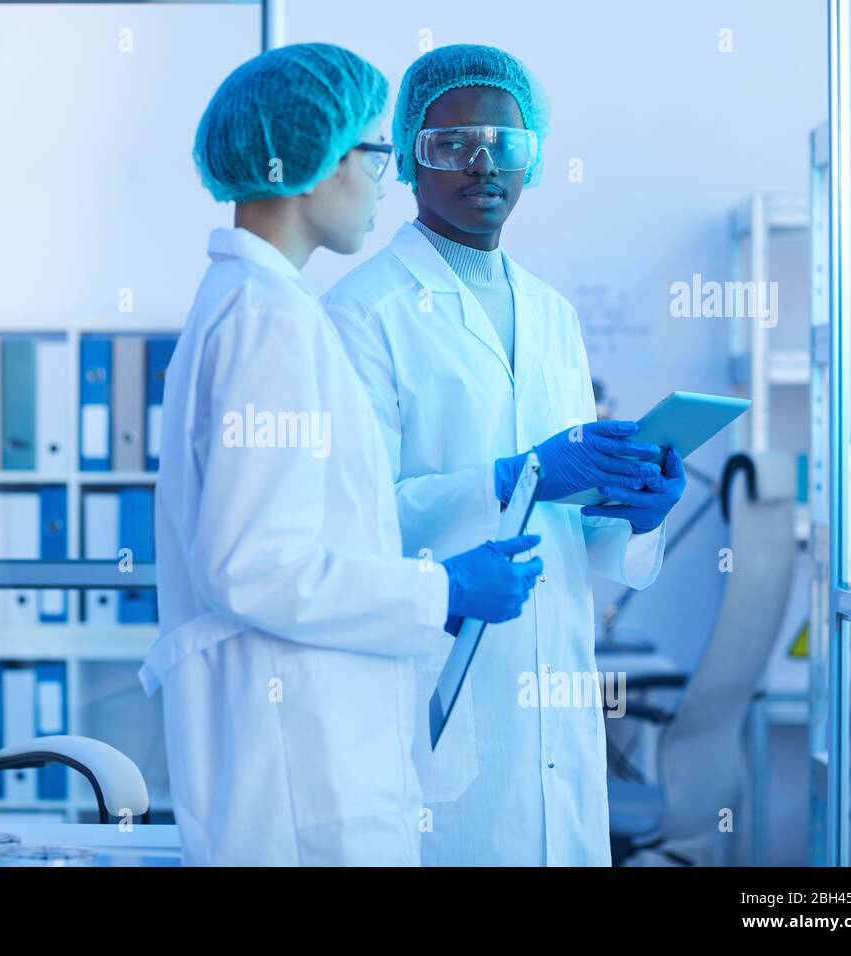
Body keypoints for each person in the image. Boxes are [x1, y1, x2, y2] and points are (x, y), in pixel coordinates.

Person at [139, 43, 546, 866]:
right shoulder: (268, 323)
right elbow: (254, 565)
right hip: (296, 769)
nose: (383, 180)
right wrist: (446, 585)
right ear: (309, 160)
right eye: (375, 156)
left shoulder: (257, 307)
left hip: (304, 753)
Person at [322, 44, 687, 866]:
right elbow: (352, 519)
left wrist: (635, 509)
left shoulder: (553, 314)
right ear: (410, 162)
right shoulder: (360, 315)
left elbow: (580, 538)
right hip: (442, 683)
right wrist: (519, 475)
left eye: (506, 144)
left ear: (535, 158)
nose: (483, 165)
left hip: (556, 695)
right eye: (453, 145)